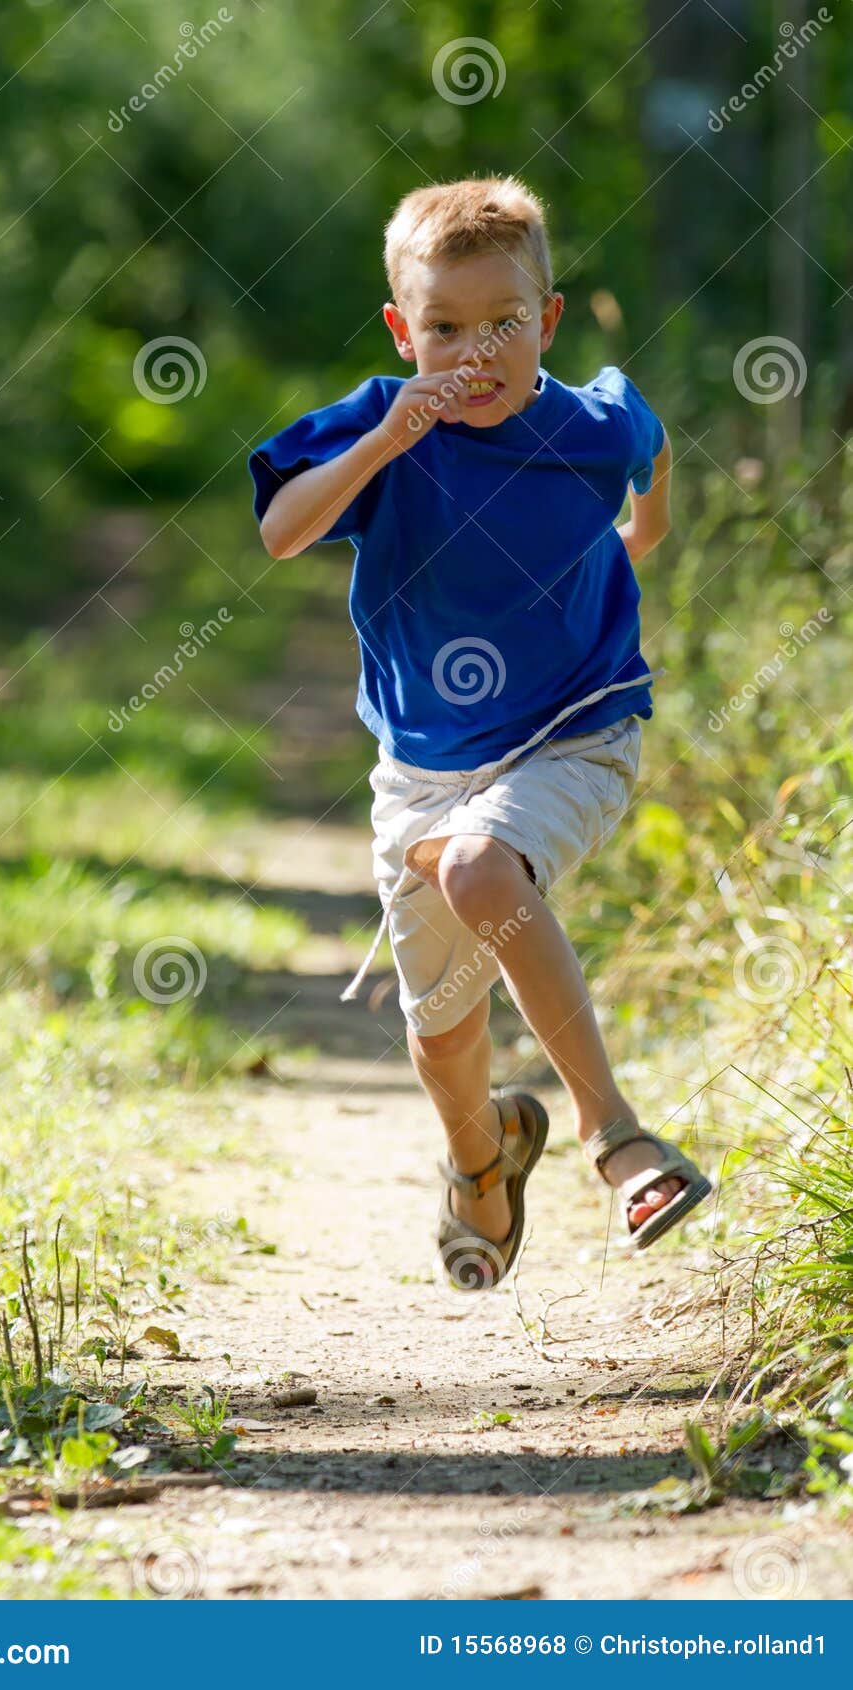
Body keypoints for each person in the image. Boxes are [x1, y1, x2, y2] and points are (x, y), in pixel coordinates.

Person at [247, 174, 711, 1290]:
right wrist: (384, 445)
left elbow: (644, 458)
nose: (475, 351)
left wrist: (636, 539)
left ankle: (617, 1140)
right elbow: (277, 531)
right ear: (403, 331)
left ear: (545, 321)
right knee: (442, 1032)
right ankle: (478, 1156)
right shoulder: (378, 423)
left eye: (503, 323)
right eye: (443, 328)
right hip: (421, 768)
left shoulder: (588, 421)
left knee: (479, 866)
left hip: (575, 729)